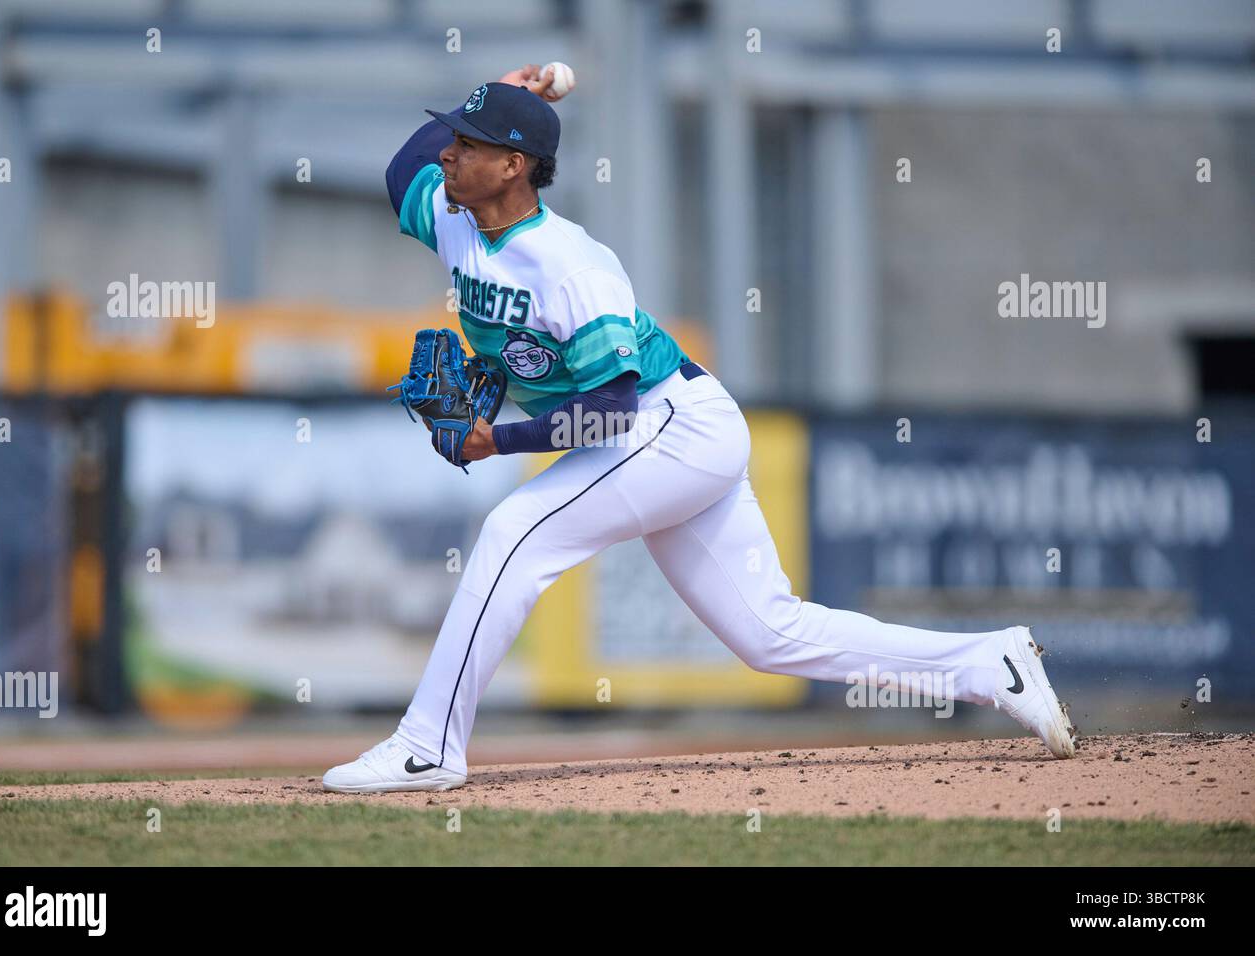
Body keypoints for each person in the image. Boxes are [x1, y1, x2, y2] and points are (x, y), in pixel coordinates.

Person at [322, 65, 1075, 793]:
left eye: (471, 142)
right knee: (770, 635)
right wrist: (500, 91)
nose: (449, 151)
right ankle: (992, 663)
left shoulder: (571, 267)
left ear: (515, 166)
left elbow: (613, 410)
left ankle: (427, 747)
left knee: (514, 531)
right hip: (672, 432)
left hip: (666, 425)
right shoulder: (454, 219)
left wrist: (502, 442)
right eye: (453, 137)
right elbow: (401, 175)